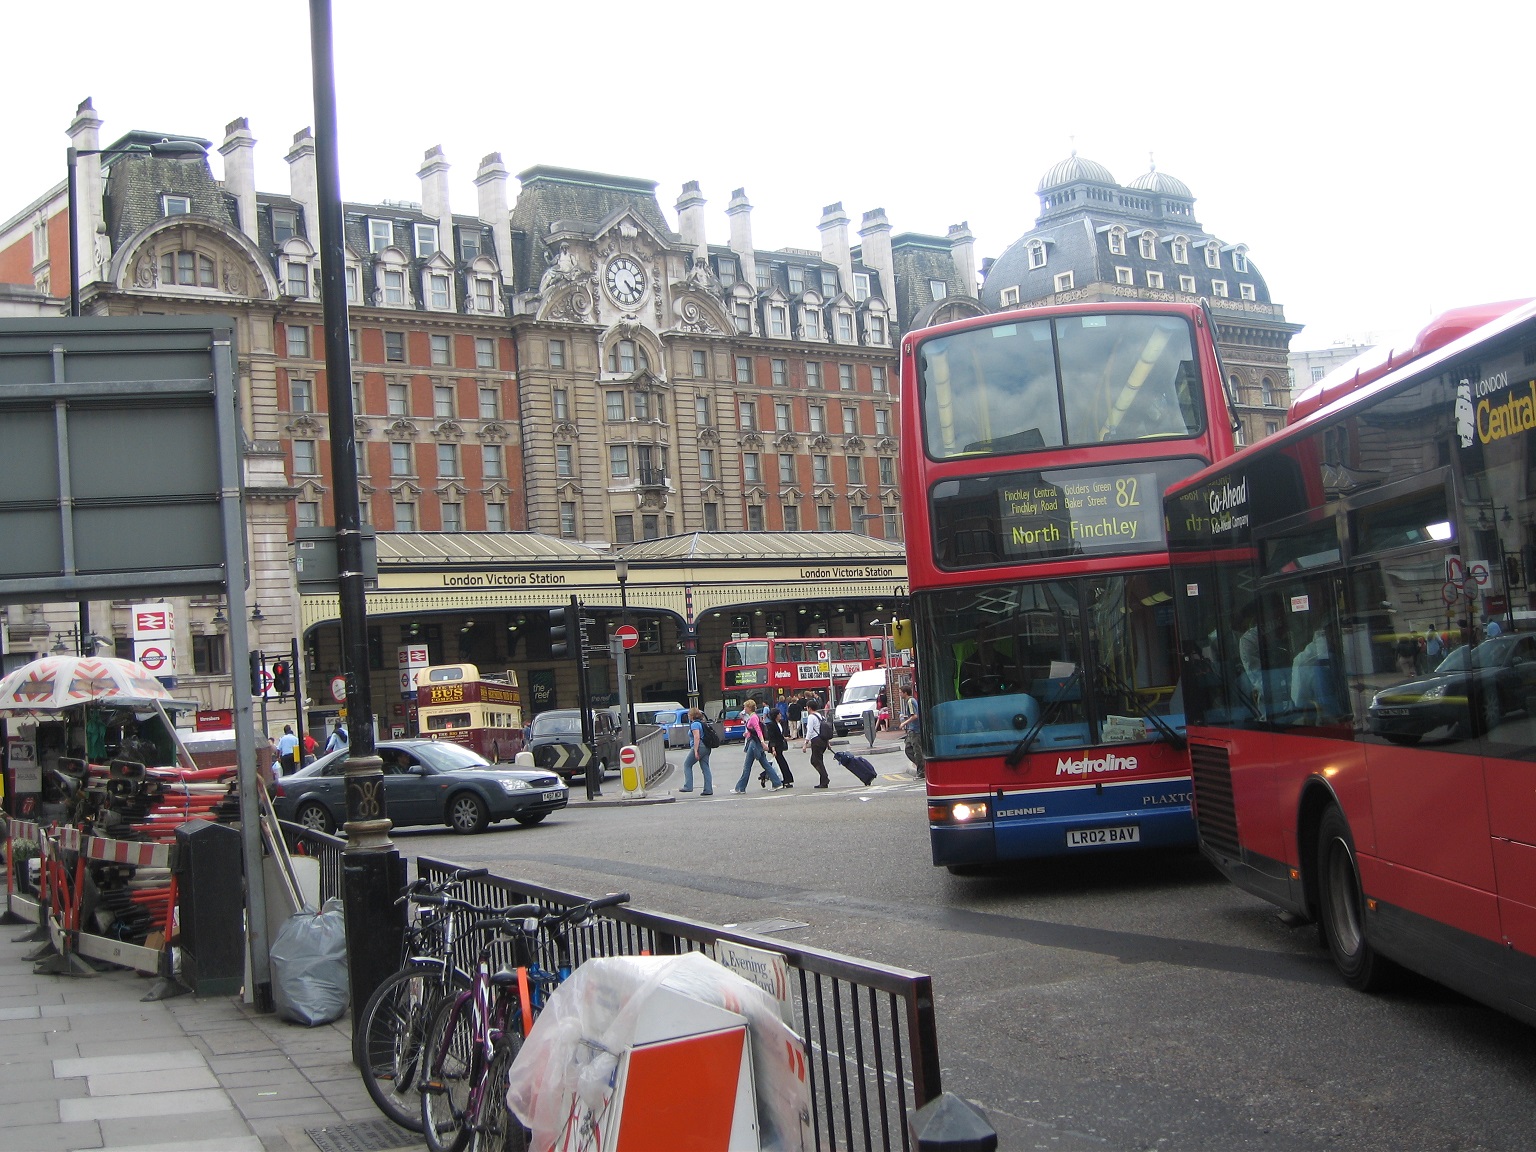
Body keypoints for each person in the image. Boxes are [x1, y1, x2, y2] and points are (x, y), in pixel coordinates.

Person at [732, 700, 782, 793]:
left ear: (749, 708)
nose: (744, 709)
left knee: (747, 766)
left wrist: (763, 742)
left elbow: (758, 730)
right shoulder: (754, 717)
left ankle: (740, 788)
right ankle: (776, 782)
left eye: (745, 707)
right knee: (765, 764)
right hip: (755, 742)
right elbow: (754, 730)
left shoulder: (753, 718)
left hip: (754, 743)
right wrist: (747, 735)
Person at [678, 706, 713, 795]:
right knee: (705, 767)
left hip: (699, 746)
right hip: (706, 746)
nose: (688, 716)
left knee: (687, 764)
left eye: (689, 714)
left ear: (692, 715)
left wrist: (695, 750)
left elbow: (696, 737)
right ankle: (708, 789)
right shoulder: (702, 723)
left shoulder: (694, 725)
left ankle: (688, 786)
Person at [760, 705, 794, 787]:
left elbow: (779, 734)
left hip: (780, 745)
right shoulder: (771, 725)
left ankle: (764, 775)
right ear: (775, 715)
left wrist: (785, 738)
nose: (780, 715)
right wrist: (773, 749)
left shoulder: (779, 723)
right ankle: (786, 780)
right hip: (775, 747)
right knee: (781, 764)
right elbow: (772, 738)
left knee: (777, 764)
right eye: (779, 714)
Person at [804, 697, 831, 788]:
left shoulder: (811, 717)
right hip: (823, 740)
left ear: (809, 708)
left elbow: (810, 730)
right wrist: (827, 742)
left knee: (815, 761)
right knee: (818, 760)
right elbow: (823, 729)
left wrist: (805, 743)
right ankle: (823, 780)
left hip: (816, 740)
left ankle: (825, 778)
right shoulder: (820, 716)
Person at [899, 685, 922, 779]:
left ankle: (922, 771)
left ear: (905, 693)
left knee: (917, 751)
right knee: (908, 748)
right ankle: (921, 766)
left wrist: (904, 723)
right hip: (911, 730)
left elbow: (915, 716)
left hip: (915, 730)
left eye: (900, 692)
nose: (899, 694)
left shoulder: (910, 701)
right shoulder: (909, 701)